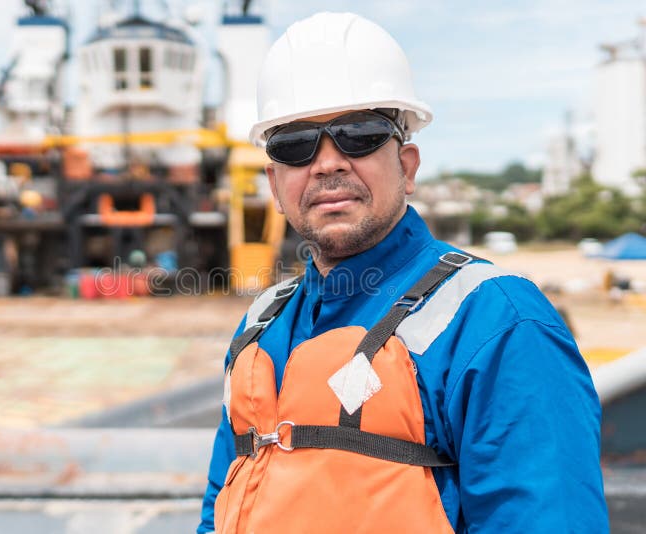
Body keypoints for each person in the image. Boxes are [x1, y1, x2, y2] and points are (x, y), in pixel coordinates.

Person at [199, 11, 607, 533]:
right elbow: (221, 510)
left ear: (408, 166)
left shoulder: (496, 323)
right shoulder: (262, 326)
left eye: (359, 135)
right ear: (276, 183)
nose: (327, 164)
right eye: (296, 145)